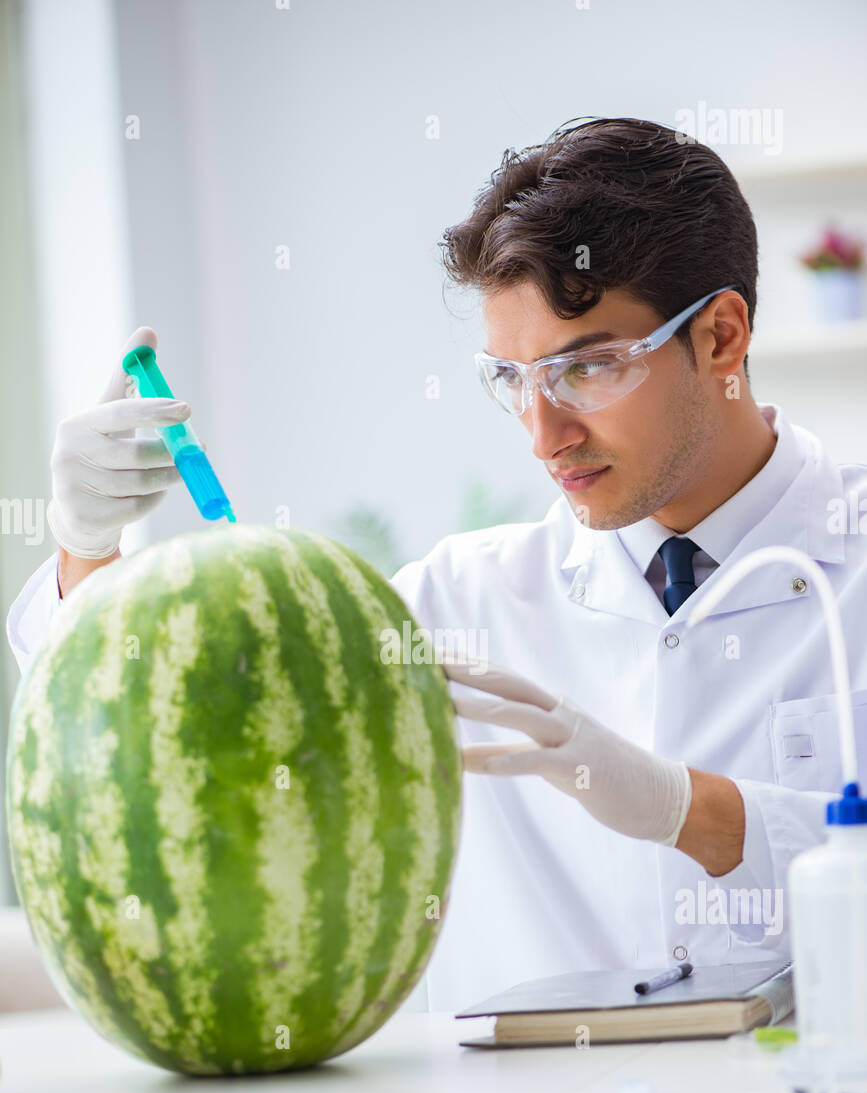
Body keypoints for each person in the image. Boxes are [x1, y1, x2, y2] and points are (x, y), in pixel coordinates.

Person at [8, 117, 867, 1012]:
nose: (544, 434)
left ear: (721, 337)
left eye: (587, 368)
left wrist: (687, 809)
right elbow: (157, 740)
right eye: (511, 379)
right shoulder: (453, 605)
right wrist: (86, 550)